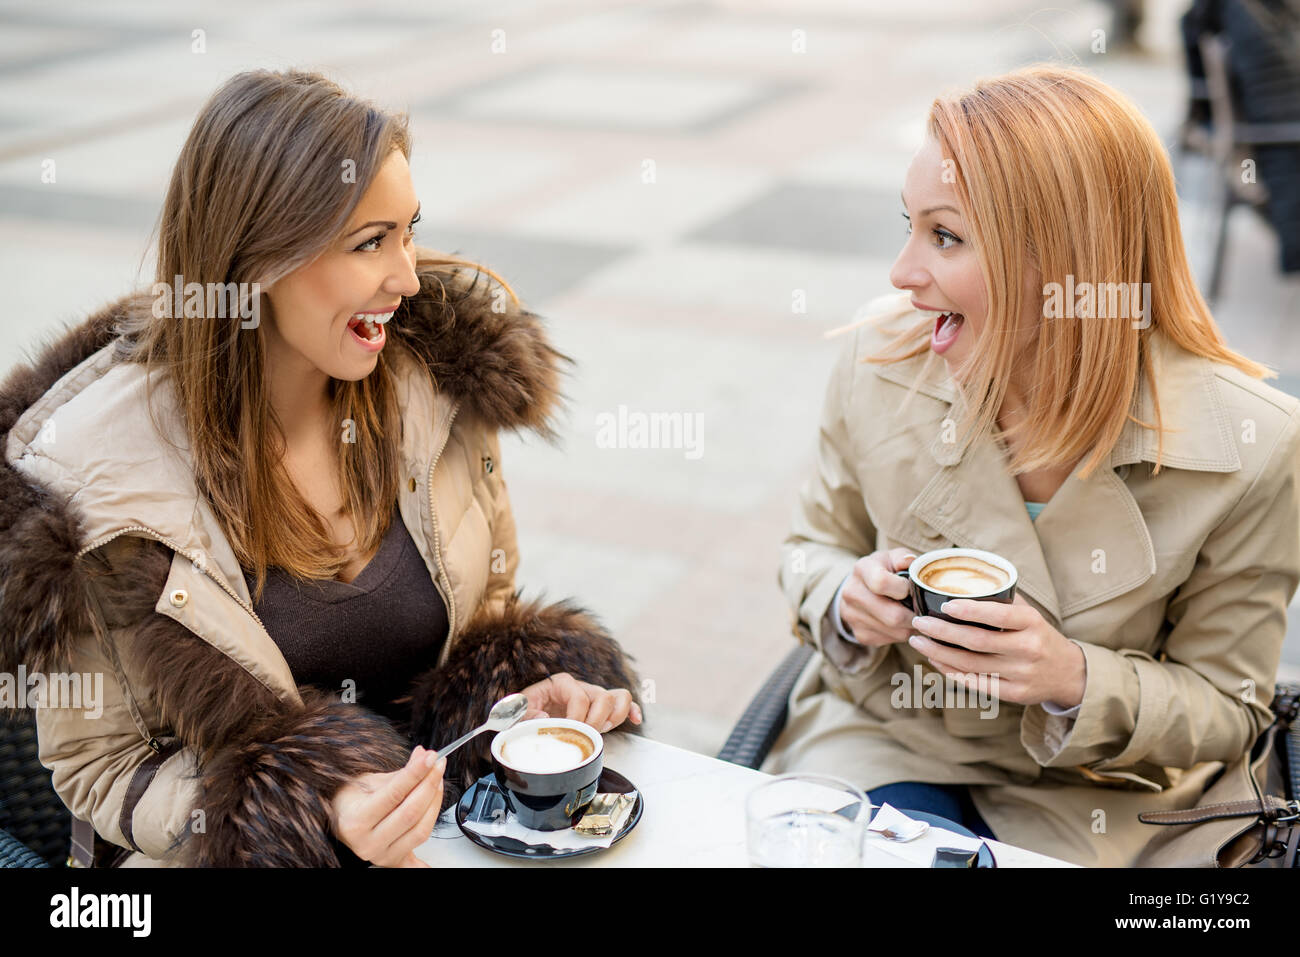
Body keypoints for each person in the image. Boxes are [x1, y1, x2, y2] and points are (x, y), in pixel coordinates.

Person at [0, 69, 641, 868]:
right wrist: (315, 801)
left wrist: (523, 699)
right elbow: (102, 769)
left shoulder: (438, 386)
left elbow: (485, 611)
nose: (407, 277)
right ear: (255, 260)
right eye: (369, 242)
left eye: (409, 231)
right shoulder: (95, 482)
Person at [767, 64, 1300, 867]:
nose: (902, 274)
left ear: (1063, 267)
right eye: (907, 225)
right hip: (891, 739)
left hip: (1104, 793)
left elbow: (1229, 705)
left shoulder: (1253, 445)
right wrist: (845, 596)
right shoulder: (879, 360)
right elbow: (810, 546)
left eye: (944, 236)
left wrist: (1072, 677)